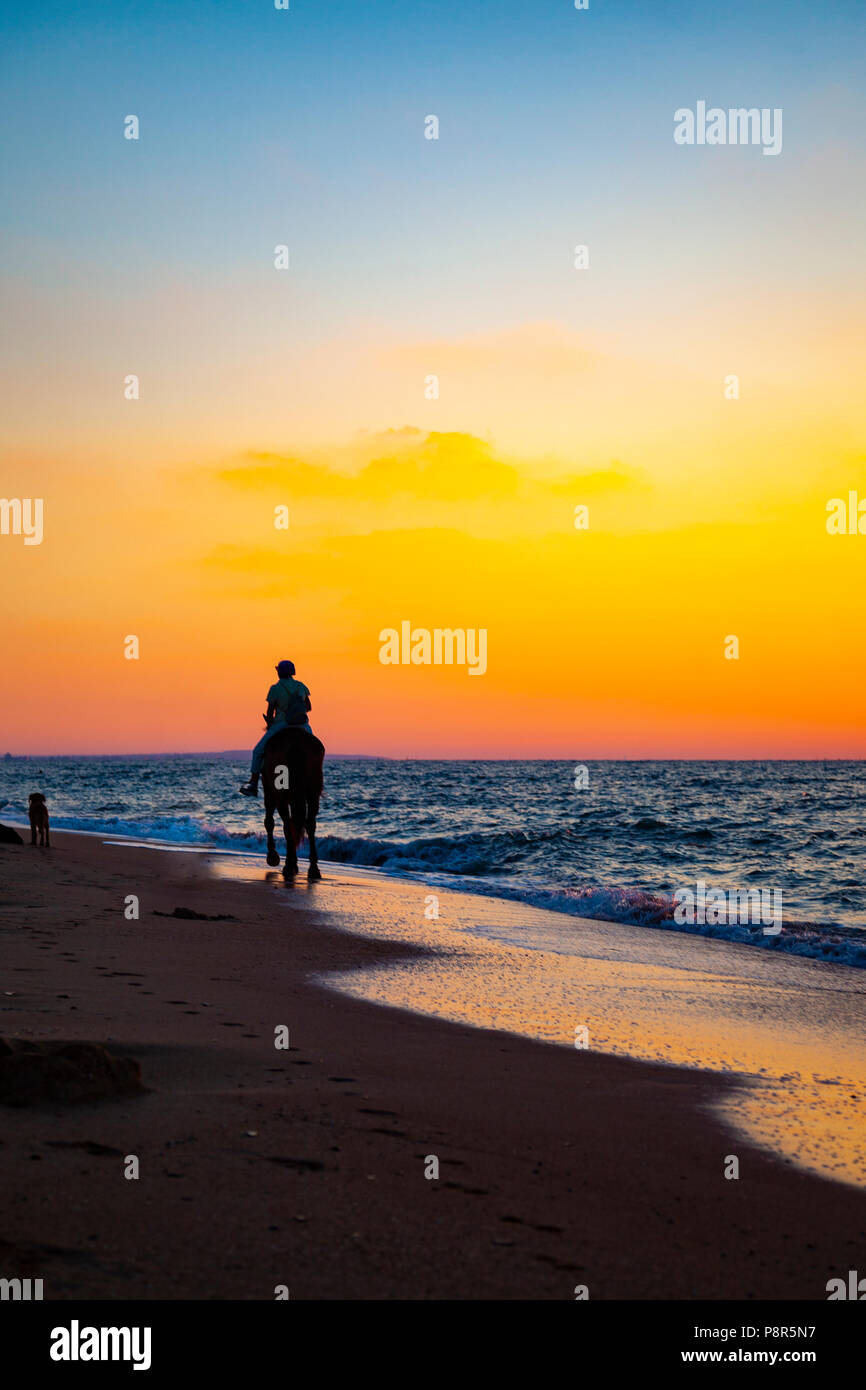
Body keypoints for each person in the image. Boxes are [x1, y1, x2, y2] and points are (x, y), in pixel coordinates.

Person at [239, 660, 314, 797]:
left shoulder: (275, 688)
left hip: (281, 725)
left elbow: (270, 711)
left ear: (279, 672)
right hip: (302, 725)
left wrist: (270, 722)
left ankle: (253, 783)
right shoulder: (301, 686)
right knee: (314, 748)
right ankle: (315, 779)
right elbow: (309, 707)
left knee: (257, 751)